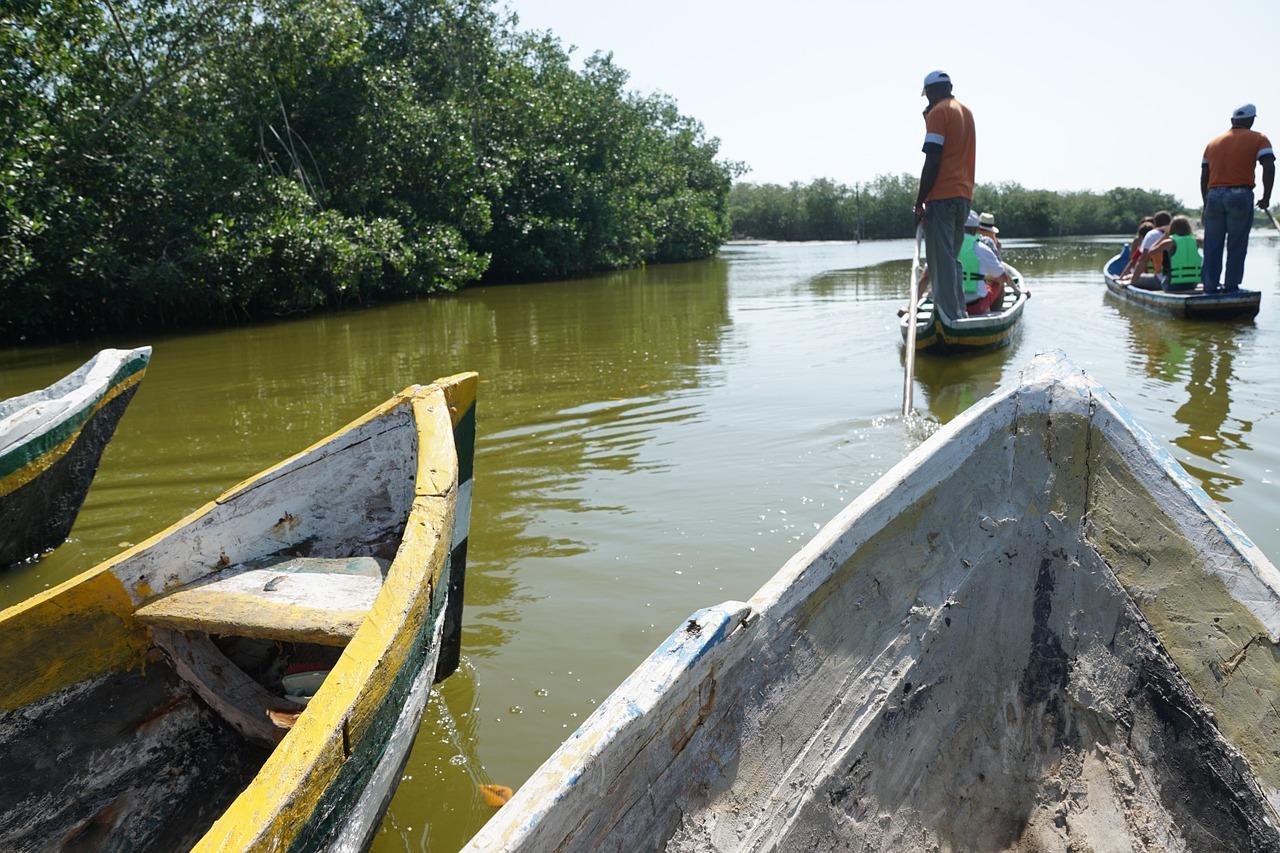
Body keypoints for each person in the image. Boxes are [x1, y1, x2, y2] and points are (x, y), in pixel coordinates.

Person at [913, 70, 976, 321]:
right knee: (950, 260)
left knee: (940, 264)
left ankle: (950, 317)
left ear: (931, 91)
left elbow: (933, 158)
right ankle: (959, 312)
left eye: (926, 95)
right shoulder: (966, 112)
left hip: (942, 196)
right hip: (963, 197)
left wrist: (919, 202)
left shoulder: (940, 112)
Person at [1200, 103, 1275, 292]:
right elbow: (1269, 166)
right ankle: (1231, 287)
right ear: (1250, 120)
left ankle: (1210, 287)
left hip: (1214, 196)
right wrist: (1266, 197)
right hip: (1240, 196)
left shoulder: (1213, 142)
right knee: (1237, 244)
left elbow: (1204, 176)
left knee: (1213, 244)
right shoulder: (1259, 138)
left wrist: (1205, 202)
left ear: (1233, 121)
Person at [1144, 215, 1203, 292]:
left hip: (1173, 285)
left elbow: (1151, 251)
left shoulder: (1170, 242)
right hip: (1192, 283)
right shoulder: (1197, 241)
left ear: (1172, 228)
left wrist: (1164, 237)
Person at [1123, 210, 1173, 288]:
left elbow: (1143, 260)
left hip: (1163, 281)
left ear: (1155, 223)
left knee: (1127, 277)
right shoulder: (1182, 235)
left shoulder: (1152, 234)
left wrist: (1132, 281)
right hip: (1191, 281)